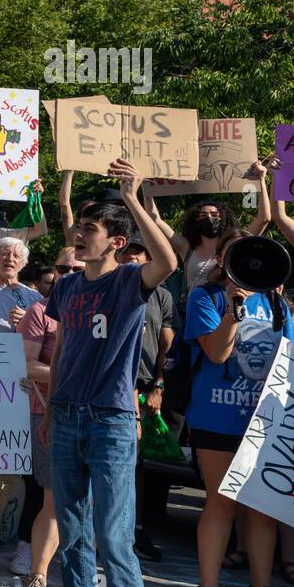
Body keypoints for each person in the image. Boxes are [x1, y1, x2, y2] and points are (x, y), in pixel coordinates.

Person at [42, 158, 175, 587]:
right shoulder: (68, 285)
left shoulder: (128, 282)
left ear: (116, 242)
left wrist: (132, 197)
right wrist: (51, 407)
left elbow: (169, 262)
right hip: (66, 417)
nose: (78, 234)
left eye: (90, 228)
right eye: (78, 226)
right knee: (73, 535)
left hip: (111, 423)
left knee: (113, 540)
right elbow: (60, 349)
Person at [182, 229, 294, 587]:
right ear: (221, 259)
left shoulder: (277, 302)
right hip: (216, 417)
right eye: (236, 255)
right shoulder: (207, 297)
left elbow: (291, 357)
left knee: (261, 506)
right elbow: (216, 353)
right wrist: (234, 311)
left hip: (264, 419)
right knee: (221, 502)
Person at [14, 248, 84, 587]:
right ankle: (37, 577)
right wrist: (72, 378)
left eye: (75, 266)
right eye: (61, 267)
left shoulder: (107, 307)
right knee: (54, 500)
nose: (67, 272)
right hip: (49, 415)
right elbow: (25, 364)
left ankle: (72, 579)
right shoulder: (41, 311)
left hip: (98, 417)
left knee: (84, 506)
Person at [115, 236, 176, 563]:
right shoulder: (110, 287)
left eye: (139, 256)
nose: (132, 261)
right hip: (110, 384)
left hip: (142, 385)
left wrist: (158, 387)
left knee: (135, 462)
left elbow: (167, 347)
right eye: (126, 255)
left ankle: (134, 530)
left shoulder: (162, 296)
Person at [145, 163, 269, 296]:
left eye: (215, 215)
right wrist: (147, 190)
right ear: (195, 221)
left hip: (226, 308)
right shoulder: (186, 247)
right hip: (194, 309)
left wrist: (261, 180)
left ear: (223, 218)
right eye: (203, 215)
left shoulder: (235, 244)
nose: (209, 218)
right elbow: (155, 220)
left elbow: (264, 219)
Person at [0, 237, 42, 333]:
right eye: (5, 254)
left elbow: (48, 329)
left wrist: (28, 319)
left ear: (23, 264)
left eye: (16, 256)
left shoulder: (35, 297)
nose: (10, 258)